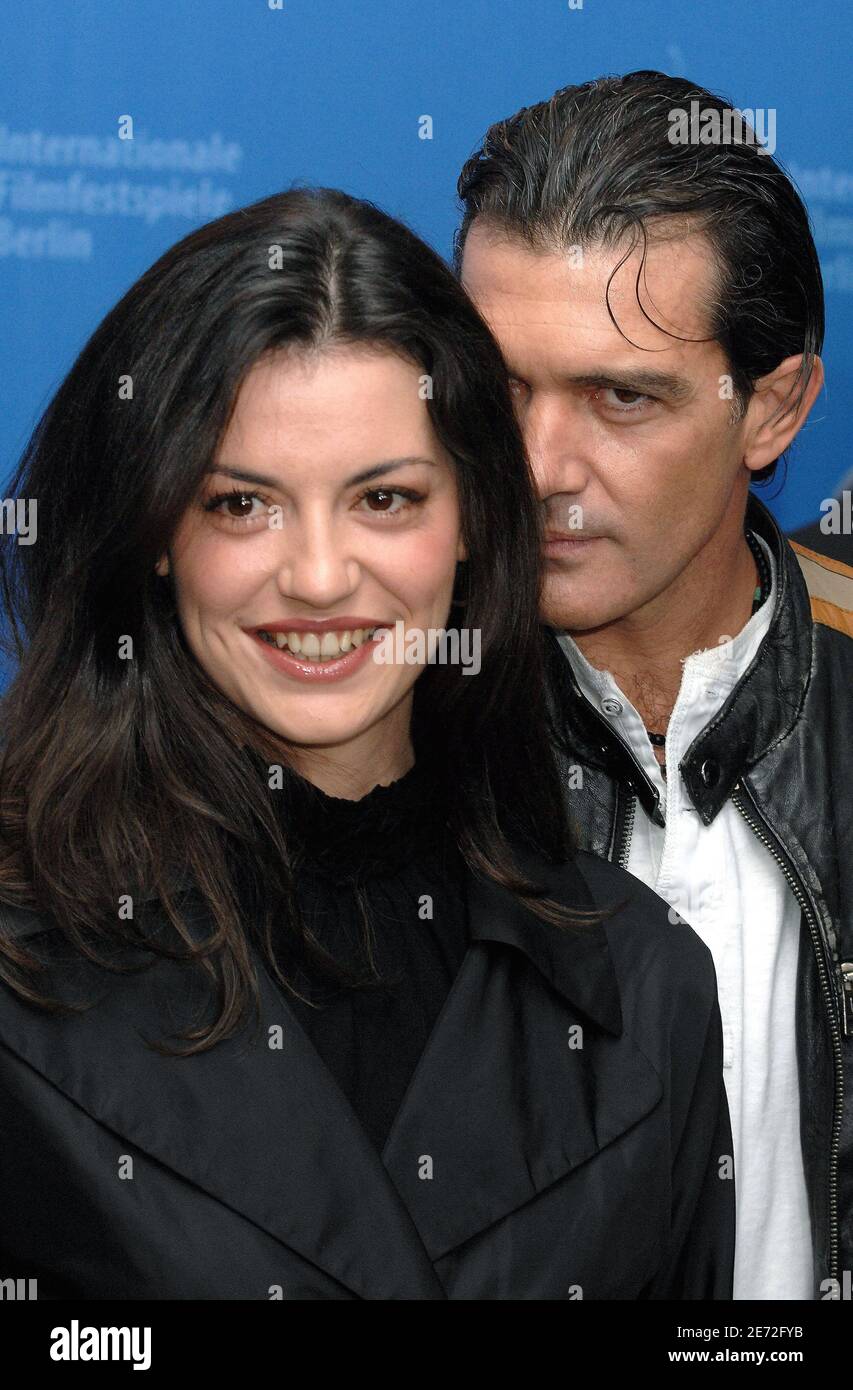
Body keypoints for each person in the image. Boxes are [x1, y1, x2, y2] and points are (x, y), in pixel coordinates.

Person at [0, 187, 733, 1300]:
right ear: (156, 535)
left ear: (473, 518)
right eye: (242, 505)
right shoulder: (22, 954)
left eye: (384, 498)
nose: (321, 577)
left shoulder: (642, 986)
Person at [455, 69, 853, 1301]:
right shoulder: (355, 716)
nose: (535, 469)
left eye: (620, 397)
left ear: (773, 407)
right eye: (497, 385)